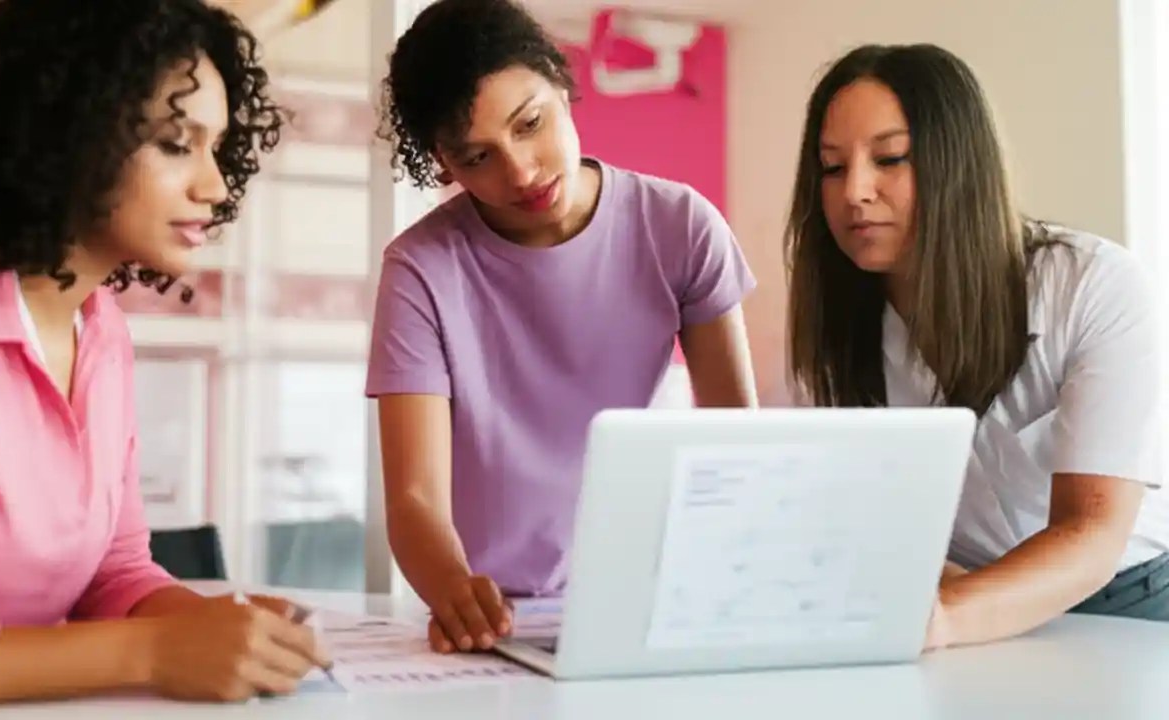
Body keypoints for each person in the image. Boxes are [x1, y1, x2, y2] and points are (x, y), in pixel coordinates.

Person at [0, 0, 328, 711]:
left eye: (216, 148)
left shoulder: (100, 327)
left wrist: (215, 628)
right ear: (69, 132)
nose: (214, 188)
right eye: (175, 143)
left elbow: (114, 573)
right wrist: (155, 652)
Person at [370, 0, 758, 655]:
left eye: (530, 123)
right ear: (442, 163)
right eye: (477, 156)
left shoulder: (681, 227)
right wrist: (454, 590)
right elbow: (414, 498)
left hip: (650, 595)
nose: (519, 172)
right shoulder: (420, 271)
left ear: (560, 80)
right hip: (496, 613)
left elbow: (737, 445)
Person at [785, 43, 1169, 650]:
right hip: (958, 595)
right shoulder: (836, 329)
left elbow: (1092, 535)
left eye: (890, 158)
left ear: (959, 163)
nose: (854, 190)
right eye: (832, 167)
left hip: (1125, 598)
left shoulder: (1094, 284)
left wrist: (943, 616)